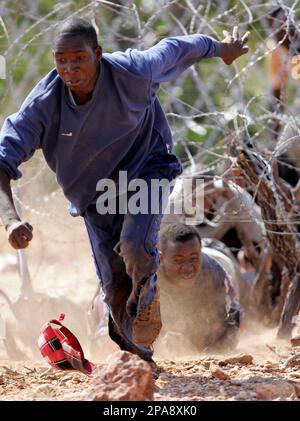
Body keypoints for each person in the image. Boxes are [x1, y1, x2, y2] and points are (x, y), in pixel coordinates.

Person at [0, 17, 249, 362]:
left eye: (79, 58)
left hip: (149, 167)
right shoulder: (43, 105)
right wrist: (11, 220)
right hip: (95, 196)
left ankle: (148, 304)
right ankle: (141, 358)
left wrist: (223, 49)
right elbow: (2, 161)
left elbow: (177, 48)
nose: (70, 68)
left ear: (98, 54)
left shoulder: (133, 72)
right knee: (115, 288)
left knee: (134, 245)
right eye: (61, 60)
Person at [156, 223, 242, 356]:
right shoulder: (149, 277)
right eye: (178, 261)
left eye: (193, 259)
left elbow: (231, 315)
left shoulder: (215, 272)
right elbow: (134, 321)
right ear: (162, 259)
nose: (187, 268)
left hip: (204, 327)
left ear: (200, 254)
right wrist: (160, 340)